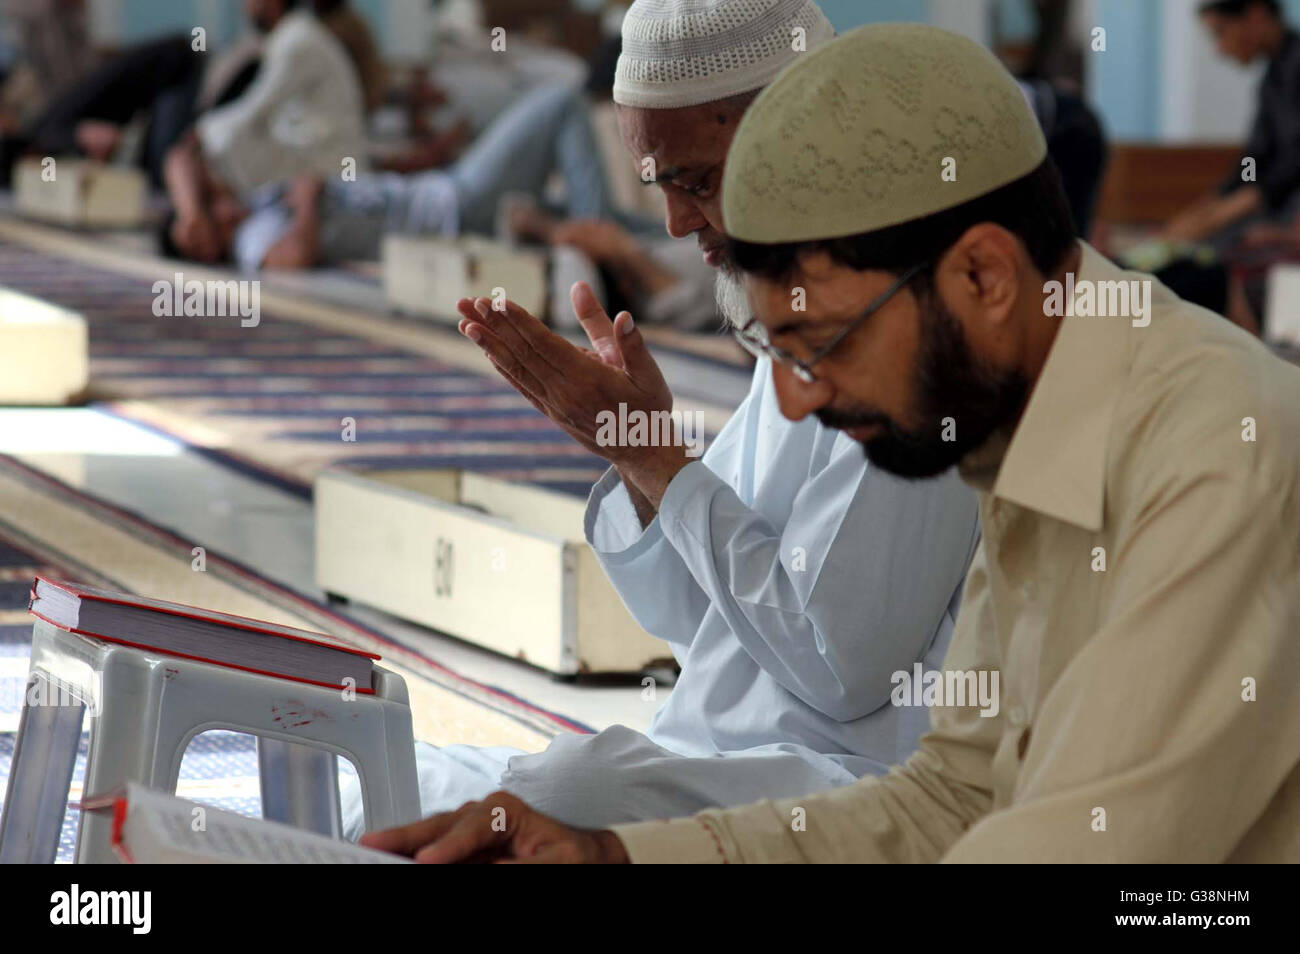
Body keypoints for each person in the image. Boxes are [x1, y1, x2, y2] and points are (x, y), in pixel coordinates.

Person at [364, 23, 1300, 864]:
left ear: (982, 274)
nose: (793, 404)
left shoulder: (1213, 457)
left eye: (822, 346)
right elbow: (952, 797)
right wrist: (620, 858)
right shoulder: (1010, 425)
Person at [338, 0, 980, 840]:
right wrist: (644, 459)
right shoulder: (795, 306)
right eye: (660, 184)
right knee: (373, 780)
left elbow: (838, 669)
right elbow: (702, 622)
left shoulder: (922, 332)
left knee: (559, 797)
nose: (677, 224)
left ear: (801, 132)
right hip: (701, 760)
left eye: (698, 180)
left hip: (836, 794)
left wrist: (661, 466)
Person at [1164, 0, 1300, 248]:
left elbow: (1293, 161)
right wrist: (1206, 208)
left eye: (1221, 32)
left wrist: (1235, 206)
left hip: (1290, 211)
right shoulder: (1272, 81)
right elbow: (1254, 158)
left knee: (1227, 246)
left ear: (1256, 16)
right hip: (1274, 201)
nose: (1219, 49)